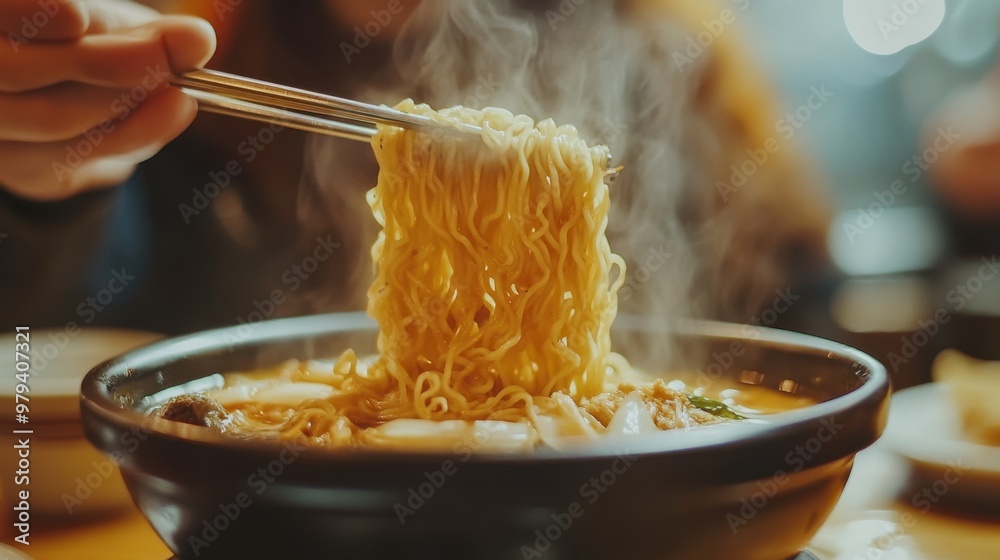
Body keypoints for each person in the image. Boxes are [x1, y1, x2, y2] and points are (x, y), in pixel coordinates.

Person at [0, 0, 829, 335]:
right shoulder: (203, 60)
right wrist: (49, 185)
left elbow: (798, 320)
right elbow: (50, 334)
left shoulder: (654, 43)